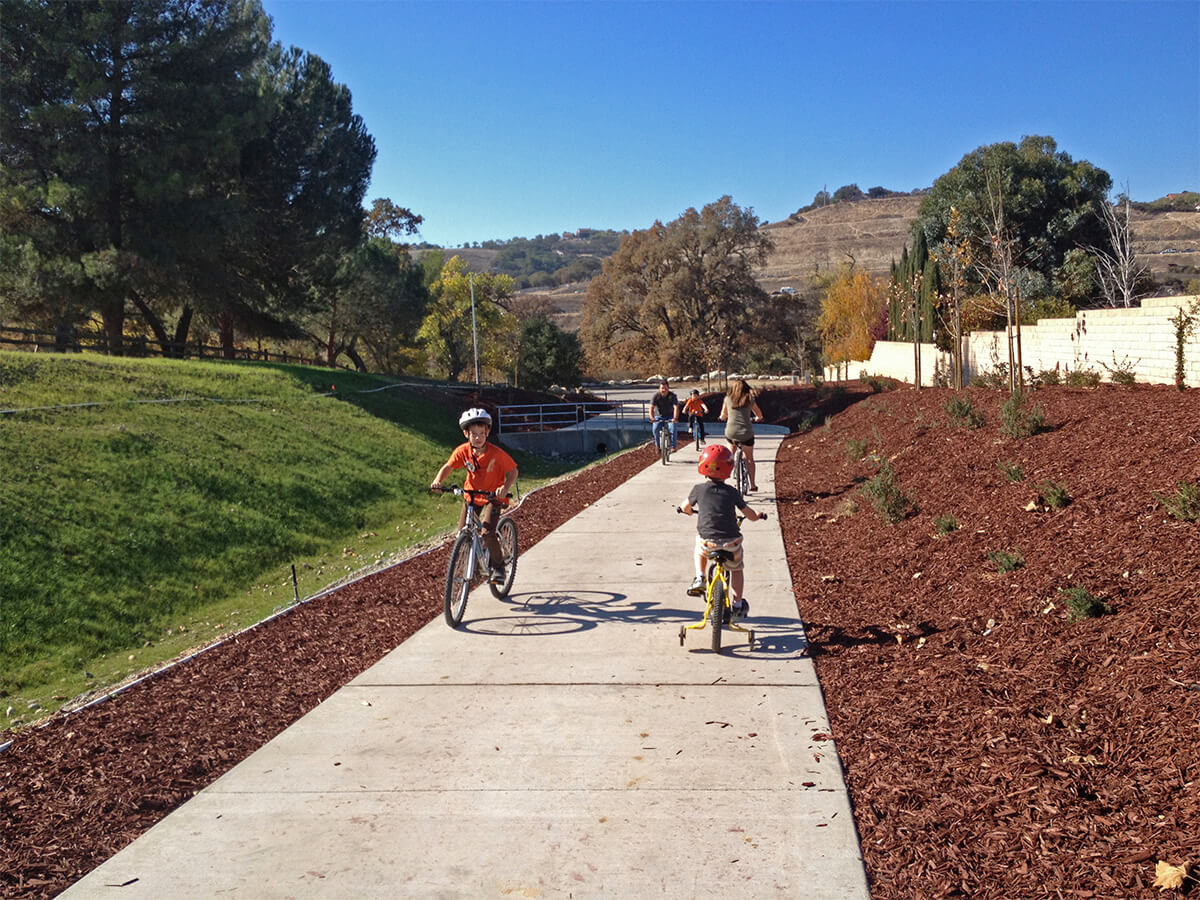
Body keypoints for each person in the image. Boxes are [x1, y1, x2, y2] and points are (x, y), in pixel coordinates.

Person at [431, 407, 518, 584]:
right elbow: (448, 466)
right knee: (463, 532)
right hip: (471, 496)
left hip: (493, 496)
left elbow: (513, 471)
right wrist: (438, 480)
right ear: (466, 434)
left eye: (481, 433)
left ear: (487, 433)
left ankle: (499, 567)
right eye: (473, 434)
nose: (478, 438)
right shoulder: (463, 451)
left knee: (487, 533)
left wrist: (504, 487)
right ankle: (476, 565)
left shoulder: (496, 454)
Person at [680, 444, 764, 618]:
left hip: (708, 542)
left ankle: (700, 577)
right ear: (729, 468)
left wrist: (685, 511)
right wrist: (757, 515)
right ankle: (738, 603)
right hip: (731, 542)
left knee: (699, 546)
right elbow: (749, 513)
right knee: (737, 568)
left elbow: (685, 507)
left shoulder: (698, 490)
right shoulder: (732, 492)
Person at [719, 378, 764, 491]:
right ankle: (752, 485)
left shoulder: (727, 399)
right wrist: (757, 418)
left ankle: (722, 480)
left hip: (731, 433)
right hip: (746, 433)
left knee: (729, 457)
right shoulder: (750, 399)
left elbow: (723, 415)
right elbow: (759, 415)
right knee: (749, 459)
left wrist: (722, 418)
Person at [647, 378, 680, 453]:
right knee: (655, 429)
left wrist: (675, 418)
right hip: (659, 416)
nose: (664, 390)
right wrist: (652, 418)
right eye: (662, 388)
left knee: (673, 428)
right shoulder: (656, 396)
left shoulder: (672, 396)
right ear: (659, 388)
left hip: (670, 416)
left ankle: (673, 447)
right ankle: (657, 446)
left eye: (665, 388)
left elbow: (676, 407)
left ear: (668, 388)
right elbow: (651, 408)